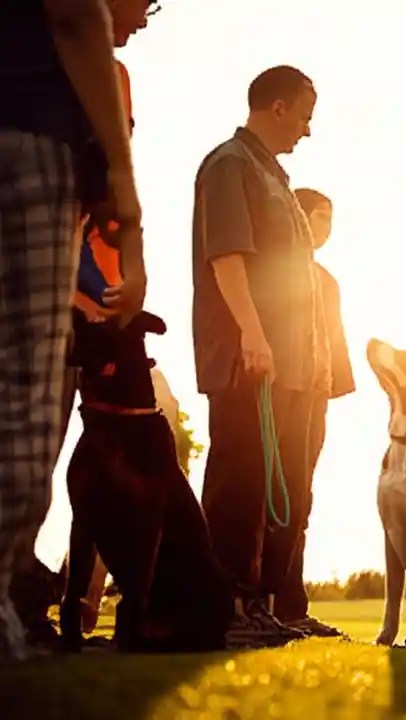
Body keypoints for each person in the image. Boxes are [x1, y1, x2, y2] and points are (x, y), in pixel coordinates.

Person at [0, 0, 143, 662]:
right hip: (25, 139)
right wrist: (120, 171)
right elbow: (72, 13)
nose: (145, 16)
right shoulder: (90, 59)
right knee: (26, 398)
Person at [192, 65, 328, 648]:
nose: (306, 130)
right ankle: (223, 608)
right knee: (240, 482)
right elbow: (228, 257)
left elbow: (298, 276)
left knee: (286, 490)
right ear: (276, 108)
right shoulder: (230, 166)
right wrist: (252, 333)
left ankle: (262, 606)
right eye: (303, 116)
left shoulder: (275, 175)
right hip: (250, 358)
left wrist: (315, 351)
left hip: (293, 366)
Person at [57, 0, 161, 640]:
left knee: (88, 467)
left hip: (101, 298)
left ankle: (83, 613)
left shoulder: (115, 73)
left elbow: (104, 193)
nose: (148, 17)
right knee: (36, 444)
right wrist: (76, 298)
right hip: (67, 299)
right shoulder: (57, 56)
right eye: (143, 3)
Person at [272, 188, 353, 637]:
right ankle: (257, 602)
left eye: (330, 219)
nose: (327, 228)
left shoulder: (327, 281)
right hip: (278, 396)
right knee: (272, 497)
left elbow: (334, 342)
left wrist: (332, 387)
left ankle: (290, 607)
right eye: (321, 217)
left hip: (314, 400)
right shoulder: (273, 271)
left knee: (300, 499)